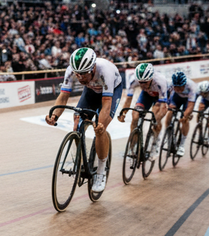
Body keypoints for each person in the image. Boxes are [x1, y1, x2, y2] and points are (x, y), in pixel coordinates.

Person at [45, 47, 124, 193]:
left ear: (93, 68)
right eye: (78, 74)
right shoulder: (71, 70)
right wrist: (54, 116)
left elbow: (106, 103)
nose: (80, 78)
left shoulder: (105, 71)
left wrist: (100, 125)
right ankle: (82, 160)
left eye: (83, 74)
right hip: (92, 90)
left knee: (100, 129)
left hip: (111, 92)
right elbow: (63, 96)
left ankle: (101, 172)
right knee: (77, 123)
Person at [117, 62, 170, 155]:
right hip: (147, 95)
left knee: (156, 119)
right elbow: (128, 99)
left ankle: (155, 142)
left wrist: (156, 120)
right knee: (135, 116)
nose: (142, 85)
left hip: (159, 98)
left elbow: (163, 108)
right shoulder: (133, 79)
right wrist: (123, 113)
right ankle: (133, 145)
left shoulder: (160, 81)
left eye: (145, 82)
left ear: (151, 78)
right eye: (140, 82)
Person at [163, 70, 197, 157]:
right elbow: (166, 98)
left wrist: (186, 114)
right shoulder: (170, 84)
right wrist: (168, 105)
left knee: (185, 119)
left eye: (180, 87)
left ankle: (181, 145)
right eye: (176, 87)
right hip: (177, 97)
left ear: (184, 84)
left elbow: (190, 105)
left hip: (188, 100)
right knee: (170, 112)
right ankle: (169, 139)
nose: (178, 89)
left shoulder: (191, 86)